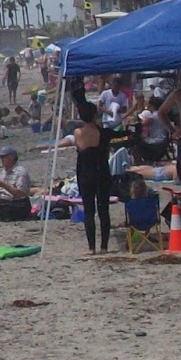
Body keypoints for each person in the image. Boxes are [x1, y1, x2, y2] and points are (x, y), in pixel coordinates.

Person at [73, 99, 126, 254]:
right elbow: (121, 135)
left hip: (85, 174)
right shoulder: (103, 132)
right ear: (96, 115)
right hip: (102, 172)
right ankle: (104, 246)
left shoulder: (77, 133)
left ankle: (91, 248)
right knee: (104, 210)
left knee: (89, 211)